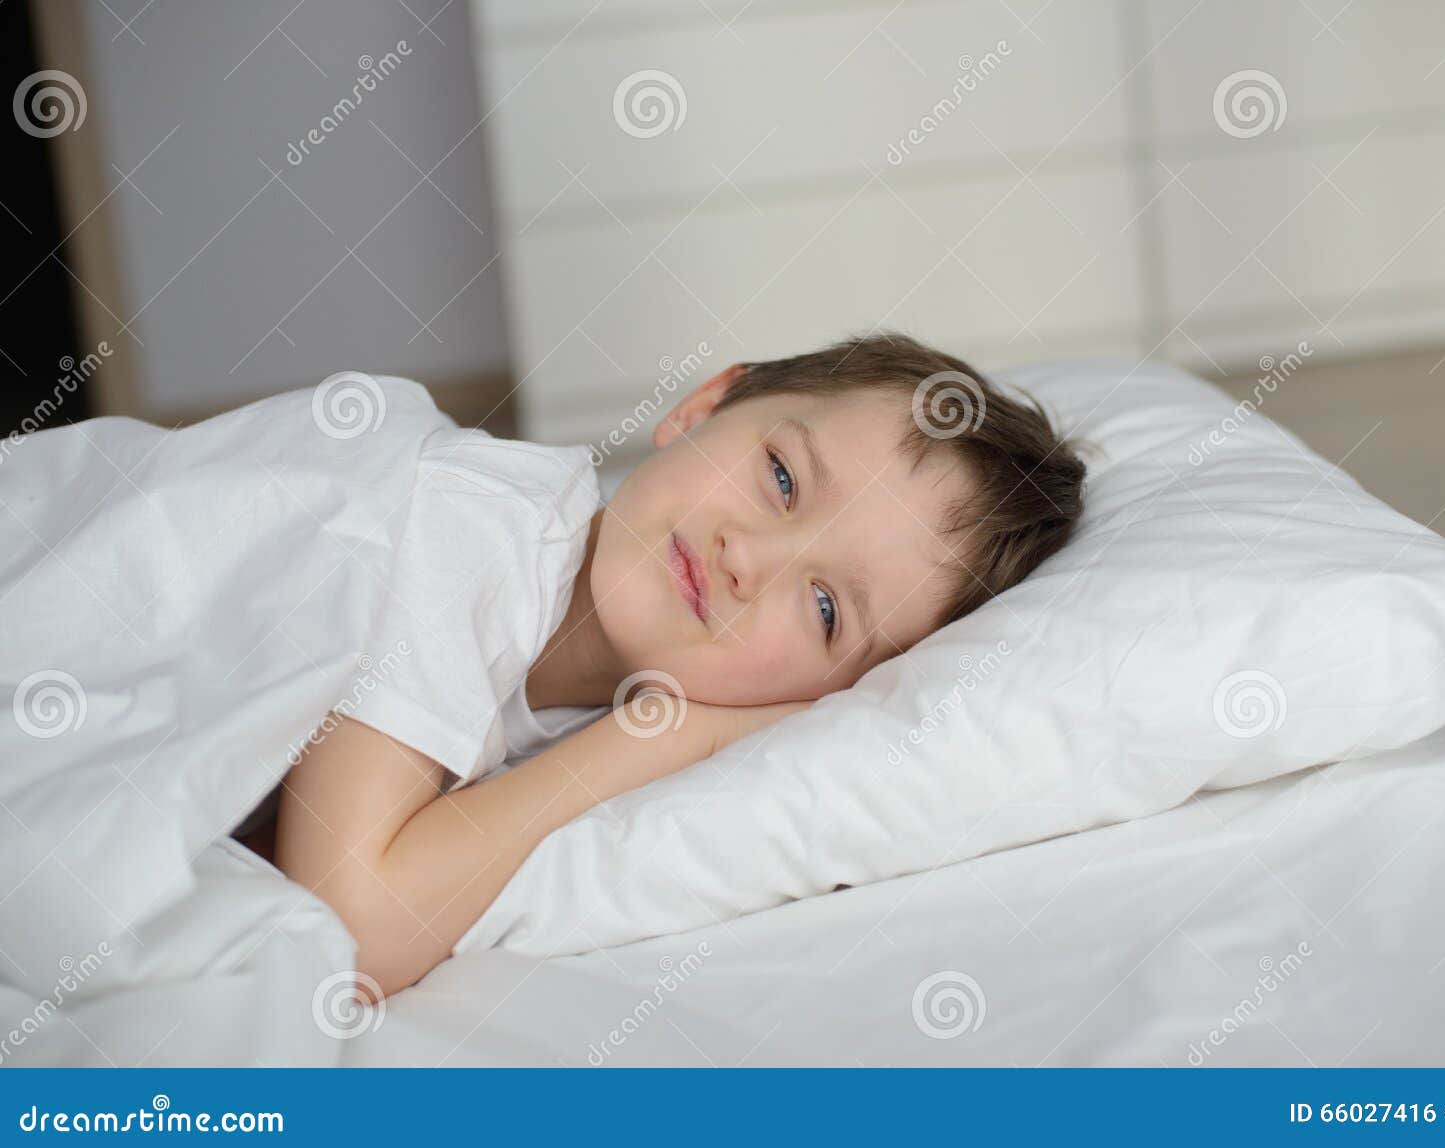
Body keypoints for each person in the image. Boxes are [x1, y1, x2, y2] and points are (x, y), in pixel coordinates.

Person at [269, 332, 1087, 995]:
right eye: (781, 477)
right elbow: (344, 931)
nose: (751, 561)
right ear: (705, 404)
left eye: (826, 608)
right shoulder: (473, 524)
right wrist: (669, 736)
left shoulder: (580, 711)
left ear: (826, 695)